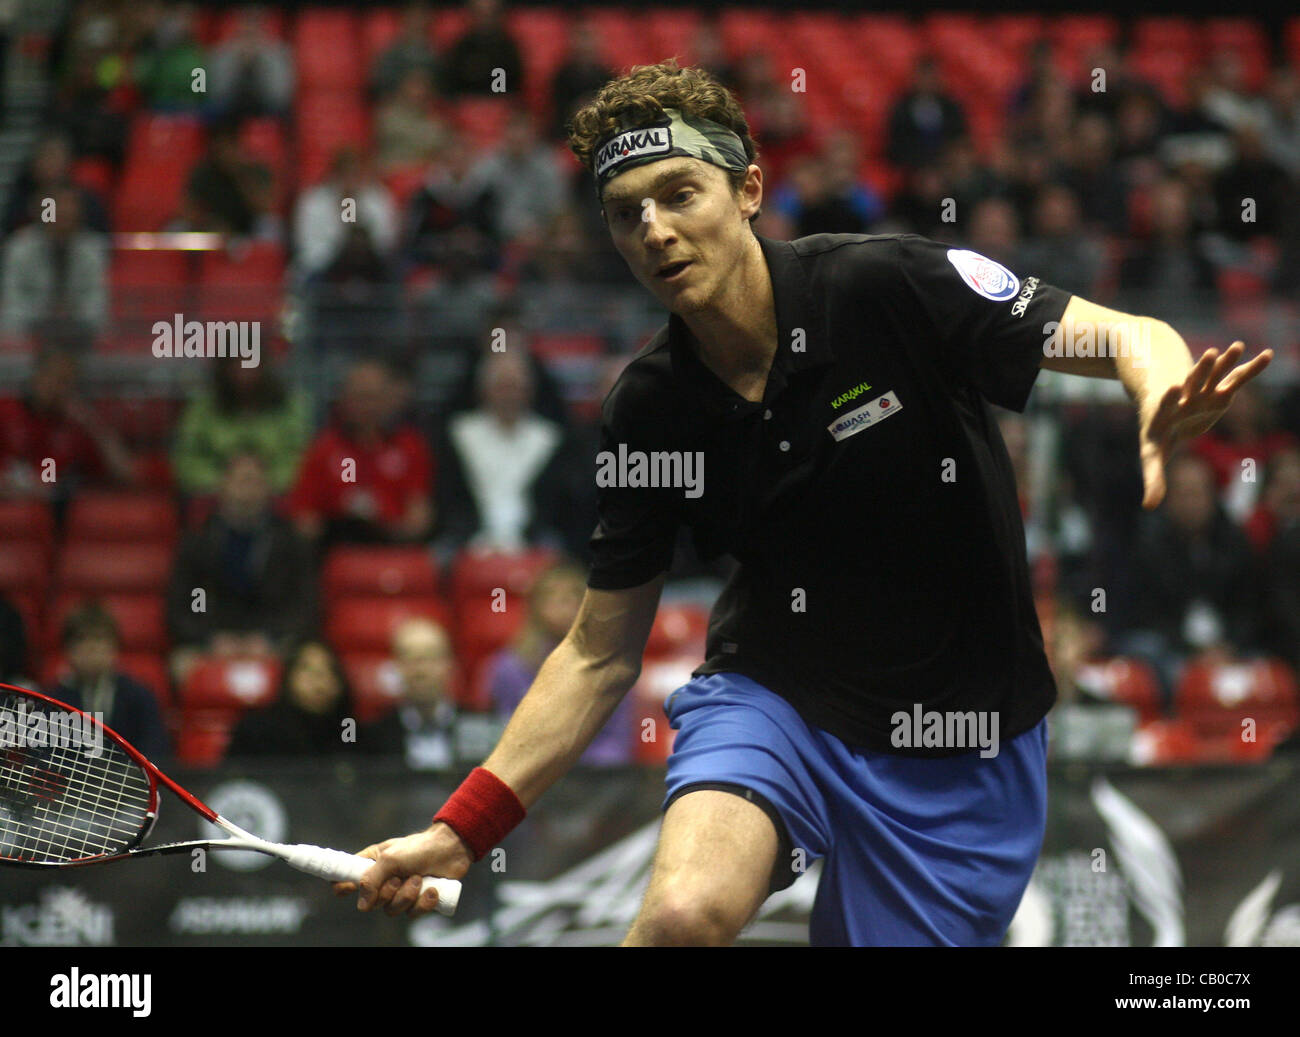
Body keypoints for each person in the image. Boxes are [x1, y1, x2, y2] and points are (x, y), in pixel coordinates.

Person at [339, 59, 1272, 945]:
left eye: (679, 194)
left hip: (965, 736)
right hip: (777, 695)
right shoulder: (650, 408)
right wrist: (463, 829)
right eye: (627, 215)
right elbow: (596, 652)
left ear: (747, 189)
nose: (655, 229)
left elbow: (1125, 332)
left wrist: (1157, 386)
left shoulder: (887, 285)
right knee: (680, 917)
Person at [166, 451, 318, 683]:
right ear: (222, 486)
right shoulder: (197, 542)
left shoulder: (291, 542)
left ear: (267, 488)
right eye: (240, 480)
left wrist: (268, 638)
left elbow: (305, 605)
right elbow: (180, 608)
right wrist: (211, 639)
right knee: (181, 666)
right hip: (212, 640)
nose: (247, 490)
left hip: (273, 641)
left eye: (254, 481)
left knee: (308, 666)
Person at [482, 561, 635, 765]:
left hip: (596, 780)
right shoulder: (509, 666)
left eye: (574, 597)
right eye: (554, 598)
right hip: (531, 775)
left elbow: (617, 742)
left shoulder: (612, 666)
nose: (564, 606)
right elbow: (504, 735)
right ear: (535, 606)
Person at [51, 601, 170, 761]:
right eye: (82, 640)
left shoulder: (140, 696)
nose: (91, 648)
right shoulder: (53, 701)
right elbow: (45, 758)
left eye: (99, 639)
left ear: (115, 647)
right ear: (67, 650)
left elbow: (156, 751)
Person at [227, 639, 362, 758]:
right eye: (307, 669)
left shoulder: (350, 731)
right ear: (289, 677)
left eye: (329, 670)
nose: (319, 680)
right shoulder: (256, 731)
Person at [364, 618, 463, 770]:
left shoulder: (477, 726)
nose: (420, 670)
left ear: (449, 664)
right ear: (396, 667)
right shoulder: (374, 738)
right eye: (410, 659)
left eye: (431, 657)